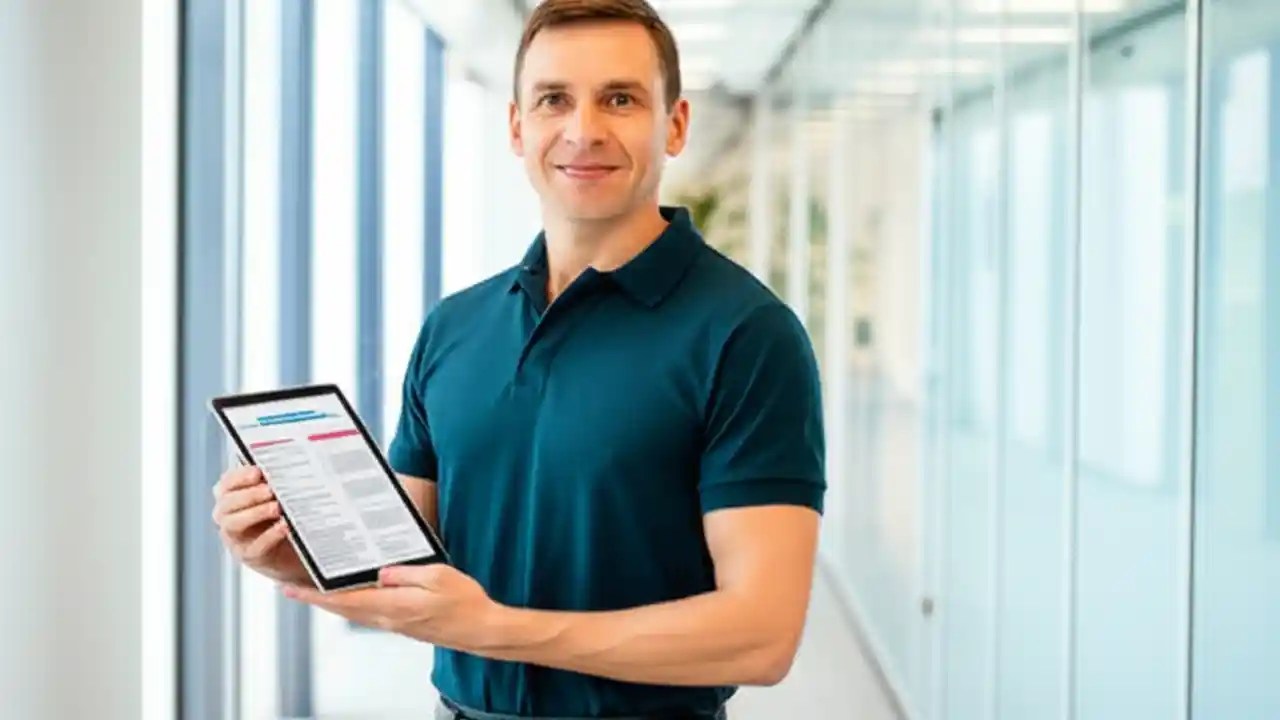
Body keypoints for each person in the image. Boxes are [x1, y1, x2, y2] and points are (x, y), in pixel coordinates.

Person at [210, 1, 825, 718]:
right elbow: (401, 566)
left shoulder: (748, 335)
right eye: (553, 99)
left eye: (619, 99)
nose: (583, 130)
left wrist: (497, 631)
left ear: (676, 125)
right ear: (516, 126)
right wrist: (281, 550)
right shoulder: (455, 328)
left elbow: (759, 637)